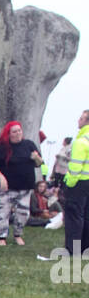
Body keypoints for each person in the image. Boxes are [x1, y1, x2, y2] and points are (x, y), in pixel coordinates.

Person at [0, 121, 42, 247]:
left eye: (19, 130)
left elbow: (39, 163)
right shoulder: (1, 148)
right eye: (14, 131)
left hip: (24, 187)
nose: (18, 133)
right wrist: (1, 178)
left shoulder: (29, 144)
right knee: (3, 212)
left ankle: (17, 234)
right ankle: (2, 237)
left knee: (23, 213)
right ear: (9, 134)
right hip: (5, 187)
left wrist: (36, 158)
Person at [61, 109, 89, 256]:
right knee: (86, 215)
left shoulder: (81, 142)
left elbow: (75, 167)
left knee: (74, 216)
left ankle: (73, 248)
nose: (79, 120)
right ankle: (85, 247)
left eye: (81, 118)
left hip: (79, 183)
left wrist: (69, 184)